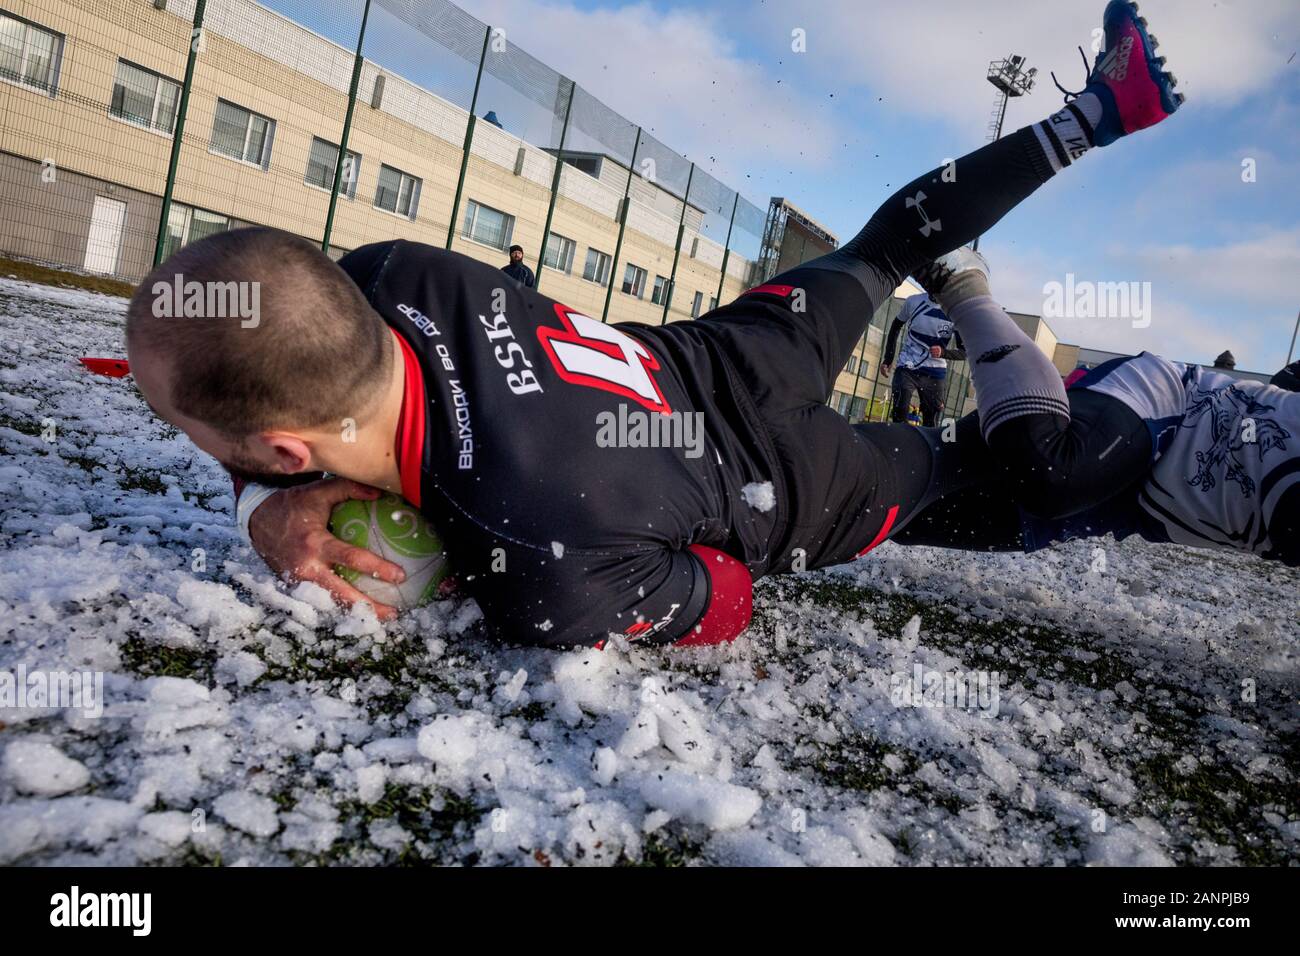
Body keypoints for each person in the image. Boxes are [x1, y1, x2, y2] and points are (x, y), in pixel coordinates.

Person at [124, 1, 1185, 649]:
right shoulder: (390, 272)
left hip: (786, 477)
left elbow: (723, 602)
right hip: (723, 353)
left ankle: (1156, 410)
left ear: (283, 451)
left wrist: (260, 510)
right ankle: (1096, 112)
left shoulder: (532, 561)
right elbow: (288, 331)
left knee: (999, 477)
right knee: (879, 248)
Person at [887, 248, 1300, 566]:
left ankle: (830, 477)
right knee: (1052, 476)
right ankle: (964, 285)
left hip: (1132, 506)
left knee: (907, 514)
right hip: (1172, 411)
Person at [880, 292, 963, 426]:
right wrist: (888, 358)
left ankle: (931, 445)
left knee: (931, 423)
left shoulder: (956, 311)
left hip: (935, 373)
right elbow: (895, 326)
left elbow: (964, 352)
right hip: (908, 366)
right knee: (899, 412)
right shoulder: (913, 301)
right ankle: (900, 444)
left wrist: (944, 353)